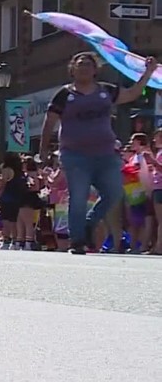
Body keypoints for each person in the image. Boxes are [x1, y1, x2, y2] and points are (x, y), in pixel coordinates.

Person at [40, 51, 157, 254]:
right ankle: (77, 241)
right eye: (79, 63)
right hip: (75, 155)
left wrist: (148, 73)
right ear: (72, 69)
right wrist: (43, 150)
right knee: (78, 197)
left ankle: (89, 223)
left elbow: (132, 93)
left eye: (88, 64)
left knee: (114, 193)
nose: (83, 67)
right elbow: (49, 122)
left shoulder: (106, 90)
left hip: (106, 155)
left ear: (95, 70)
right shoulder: (65, 94)